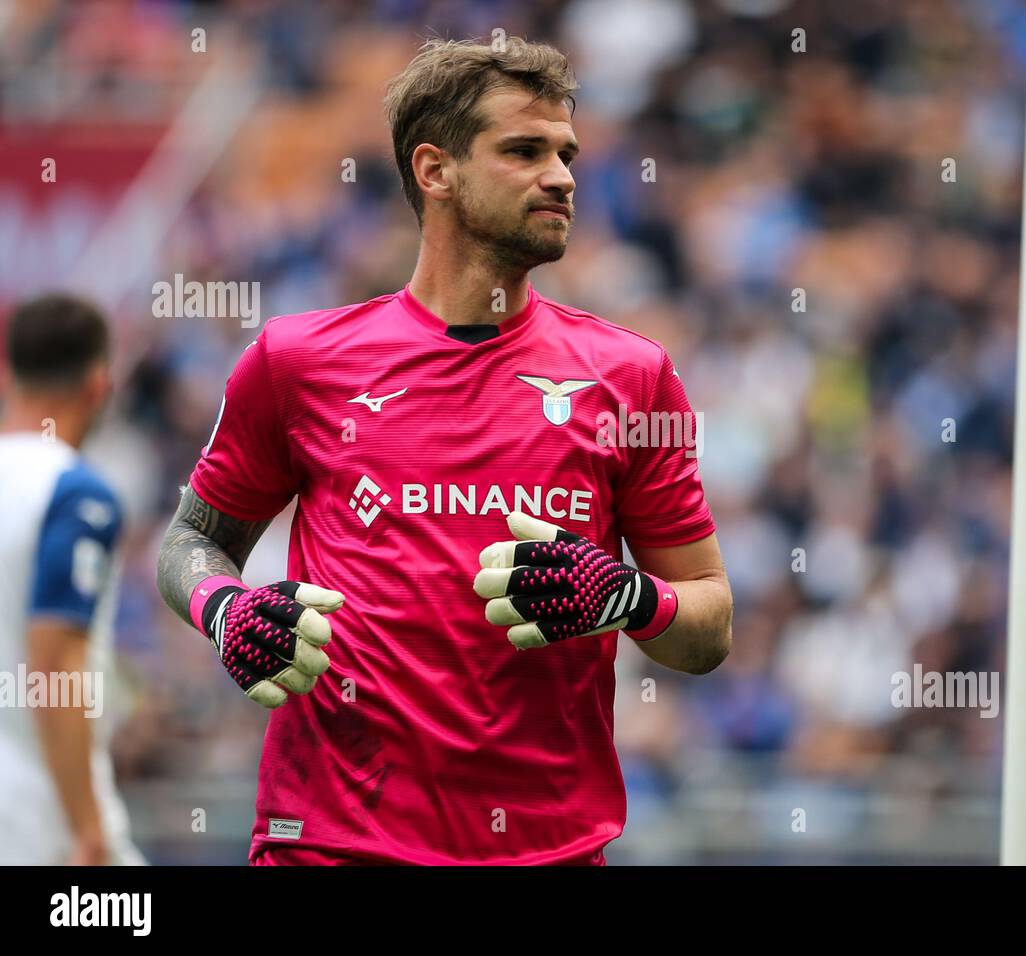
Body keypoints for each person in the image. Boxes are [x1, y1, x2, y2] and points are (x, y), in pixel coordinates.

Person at [155, 35, 732, 866]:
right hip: (330, 847)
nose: (563, 175)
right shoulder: (296, 363)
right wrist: (228, 609)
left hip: (547, 852)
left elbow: (708, 627)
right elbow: (189, 542)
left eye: (566, 152)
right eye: (525, 151)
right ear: (435, 170)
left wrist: (632, 598)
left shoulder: (632, 379)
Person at [0, 293, 142, 865]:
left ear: (10, 374)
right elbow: (55, 664)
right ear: (99, 383)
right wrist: (86, 825)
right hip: (39, 809)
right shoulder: (75, 494)